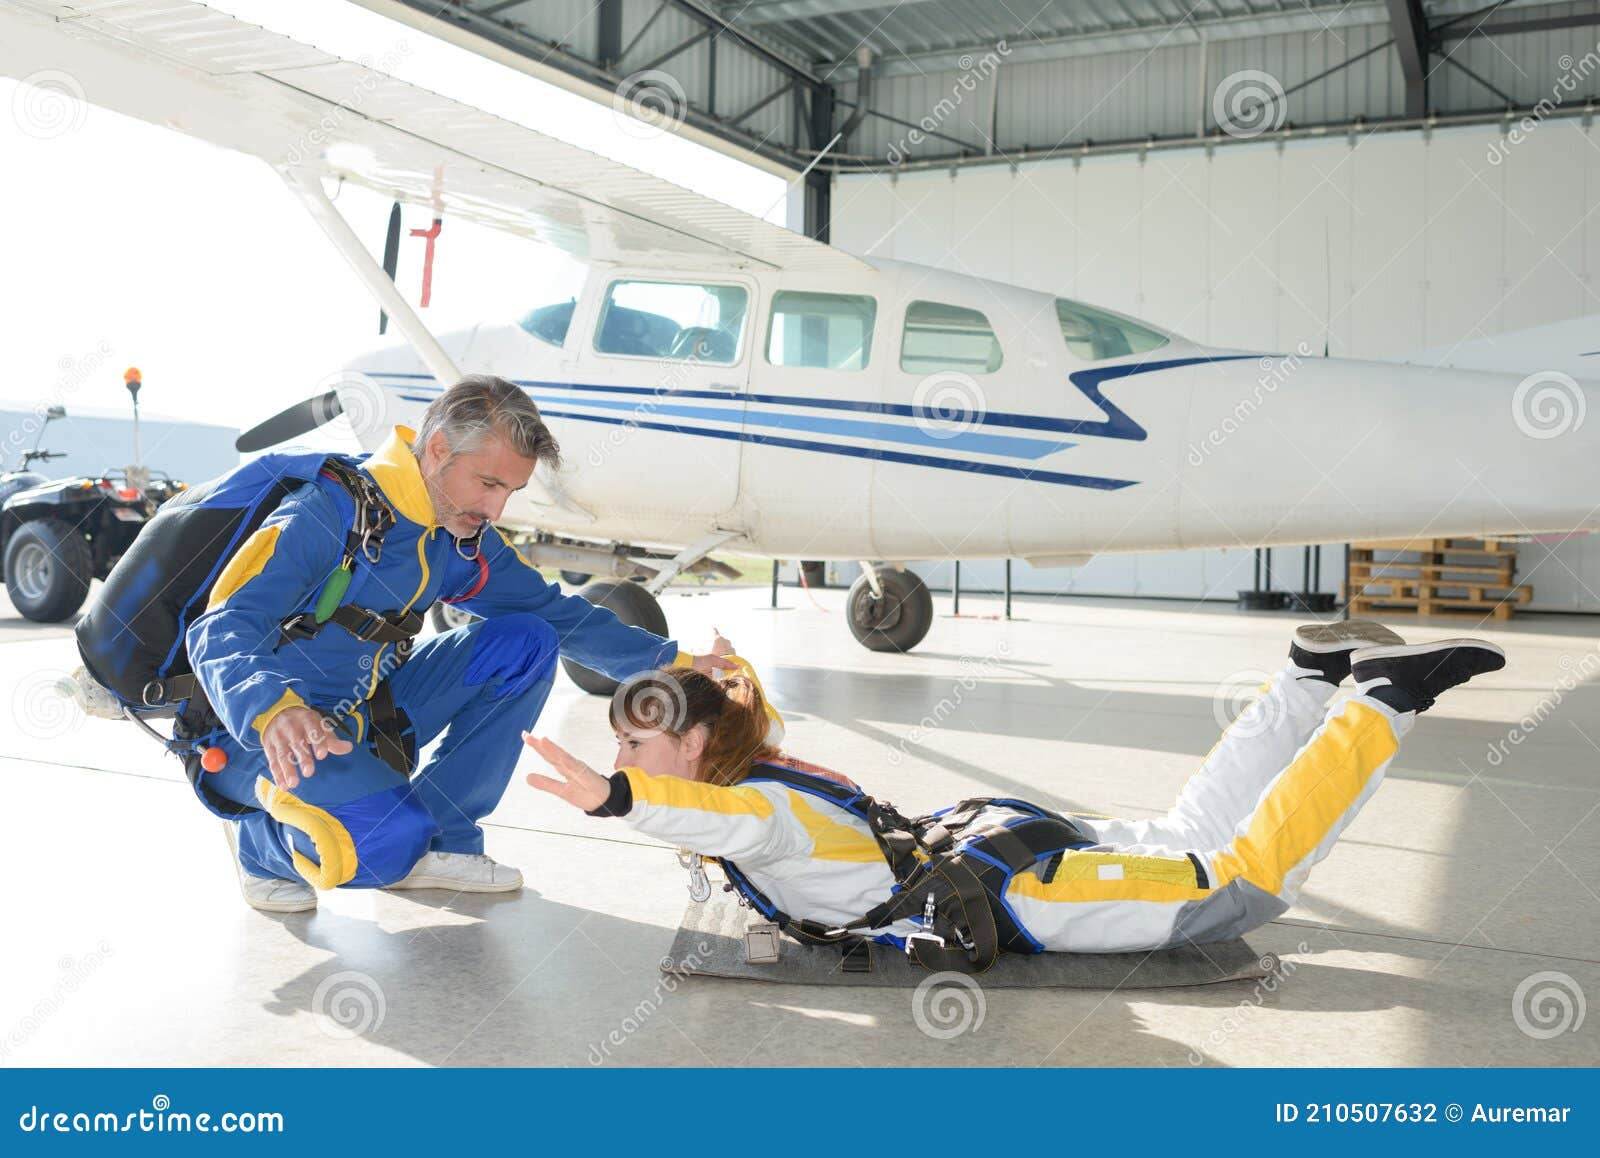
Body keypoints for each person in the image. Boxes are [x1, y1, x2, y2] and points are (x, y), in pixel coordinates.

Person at [523, 621, 1505, 961]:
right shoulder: (753, 763)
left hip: (1017, 893)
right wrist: (718, 671)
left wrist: (615, 805)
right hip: (983, 845)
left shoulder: (749, 809)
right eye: (619, 740)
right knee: (1188, 835)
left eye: (643, 739)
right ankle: (1305, 678)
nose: (625, 757)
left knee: (1237, 885)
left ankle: (1380, 698)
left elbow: (701, 817)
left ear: (699, 743)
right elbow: (721, 783)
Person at [188, 374, 734, 913]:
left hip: (359, 715)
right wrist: (271, 709)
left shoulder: (455, 538)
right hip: (260, 737)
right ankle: (262, 847)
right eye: (488, 484)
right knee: (384, 843)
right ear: (440, 449)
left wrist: (677, 665)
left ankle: (445, 834)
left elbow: (553, 613)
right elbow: (220, 625)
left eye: (510, 492)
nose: (496, 510)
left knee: (529, 639)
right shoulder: (326, 512)